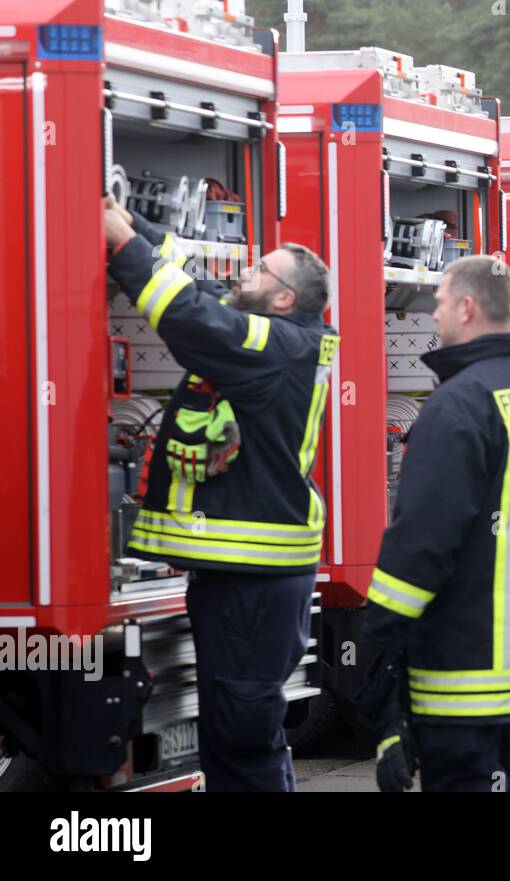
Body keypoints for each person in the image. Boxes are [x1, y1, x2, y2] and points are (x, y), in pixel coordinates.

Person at [104, 198, 337, 791]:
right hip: (251, 576)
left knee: (241, 733)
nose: (245, 275)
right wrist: (133, 226)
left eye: (261, 271)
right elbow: (202, 286)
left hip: (253, 580)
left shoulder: (273, 346)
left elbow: (192, 317)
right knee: (242, 728)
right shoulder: (286, 338)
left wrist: (124, 249)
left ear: (283, 298)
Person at [355, 256, 510, 792]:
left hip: (463, 661)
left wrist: (377, 642)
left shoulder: (457, 404)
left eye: (440, 302)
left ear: (467, 307)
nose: (433, 314)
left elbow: (422, 541)